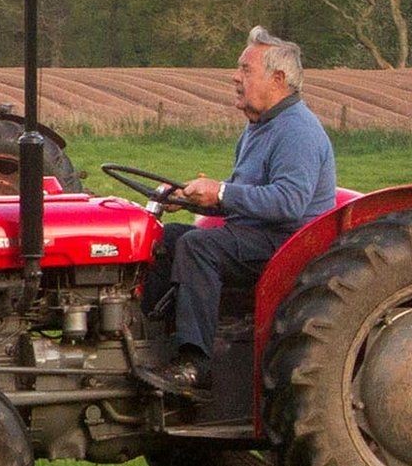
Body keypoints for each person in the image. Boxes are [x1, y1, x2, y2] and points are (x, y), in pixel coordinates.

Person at [143, 27, 336, 394]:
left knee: (199, 247)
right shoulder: (259, 127)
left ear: (277, 79)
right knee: (164, 238)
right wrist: (185, 196)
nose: (235, 77)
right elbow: (241, 194)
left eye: (246, 69)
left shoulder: (297, 130)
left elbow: (289, 202)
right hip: (252, 235)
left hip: (284, 244)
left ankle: (195, 364)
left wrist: (221, 193)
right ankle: (147, 339)